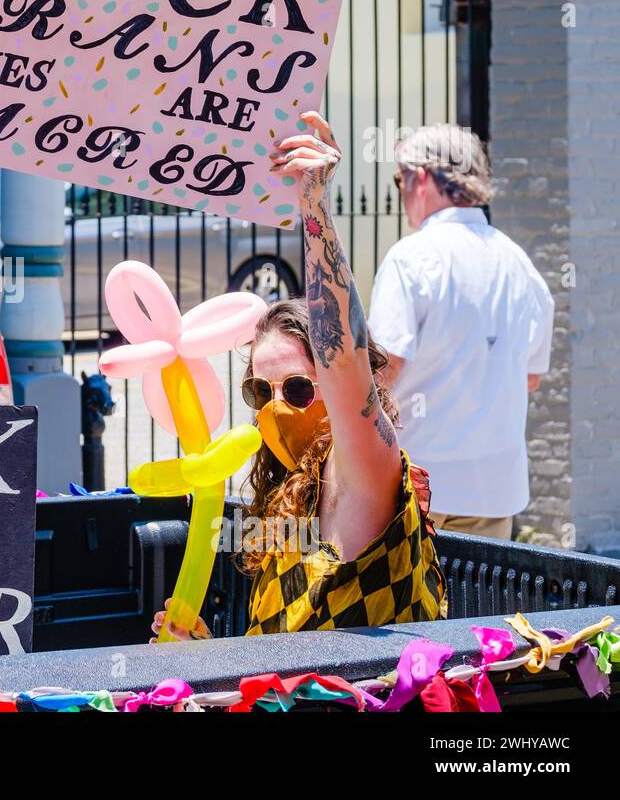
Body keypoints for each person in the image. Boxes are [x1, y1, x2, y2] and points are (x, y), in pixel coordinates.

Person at [153, 111, 447, 640]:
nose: (275, 406)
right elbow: (284, 658)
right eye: (259, 391)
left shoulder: (364, 472)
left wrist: (313, 203)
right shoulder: (286, 495)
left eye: (297, 388)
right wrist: (202, 656)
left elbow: (344, 359)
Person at [368, 125, 554, 540]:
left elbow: (384, 368)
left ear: (421, 176)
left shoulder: (410, 258)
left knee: (412, 606)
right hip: (495, 490)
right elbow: (530, 377)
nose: (401, 192)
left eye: (400, 179)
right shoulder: (519, 262)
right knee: (485, 605)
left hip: (418, 485)